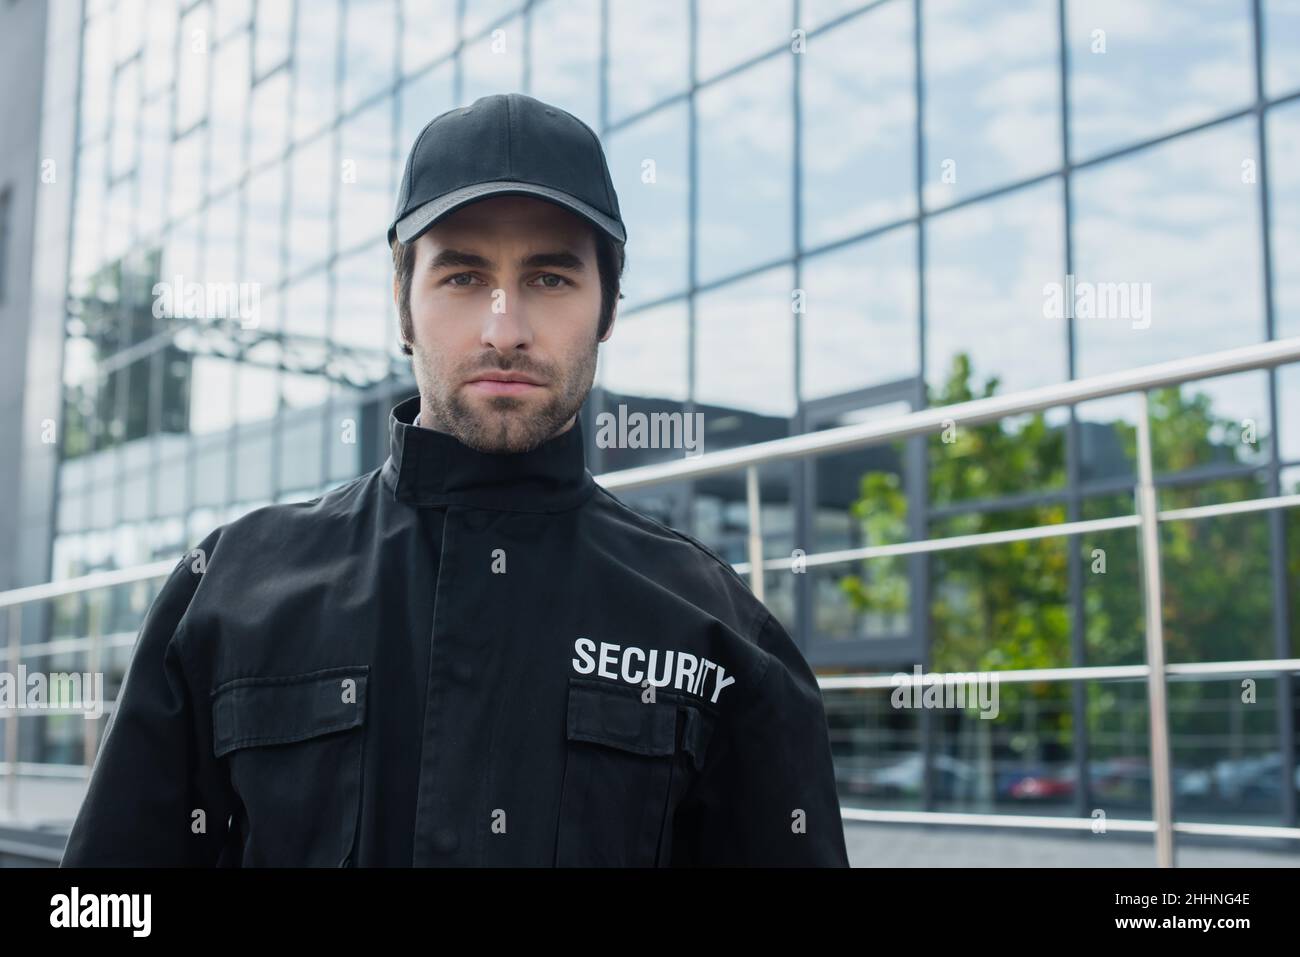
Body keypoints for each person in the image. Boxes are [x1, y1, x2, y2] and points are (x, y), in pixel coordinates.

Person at [60, 92, 850, 867]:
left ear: (608, 307)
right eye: (463, 276)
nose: (504, 329)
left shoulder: (718, 633)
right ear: (402, 303)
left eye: (550, 278)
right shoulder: (230, 592)